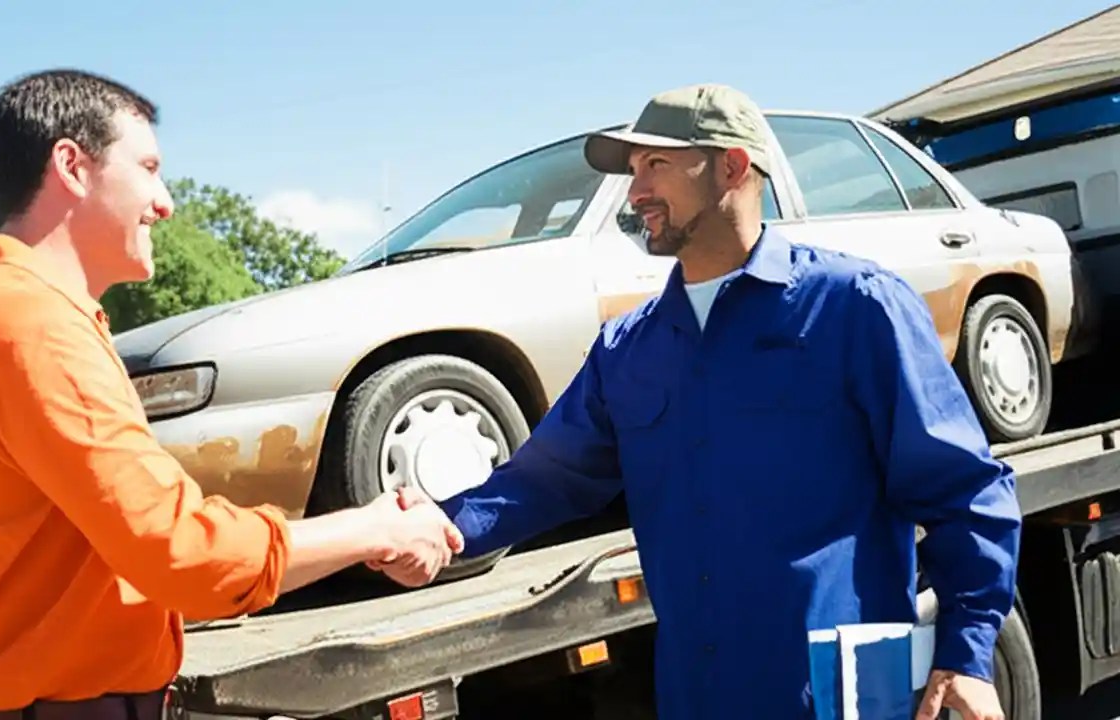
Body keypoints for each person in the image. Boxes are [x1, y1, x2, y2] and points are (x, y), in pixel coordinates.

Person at [373, 83, 1020, 720]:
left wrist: (966, 650)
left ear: (733, 166)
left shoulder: (856, 308)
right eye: (633, 170)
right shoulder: (630, 347)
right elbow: (546, 479)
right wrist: (436, 529)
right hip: (704, 690)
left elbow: (963, 489)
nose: (635, 192)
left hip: (851, 690)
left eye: (655, 164)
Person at [0, 68, 463, 719]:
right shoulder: (30, 324)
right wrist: (375, 529)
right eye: (147, 167)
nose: (164, 200)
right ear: (72, 166)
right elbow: (185, 555)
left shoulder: (18, 314)